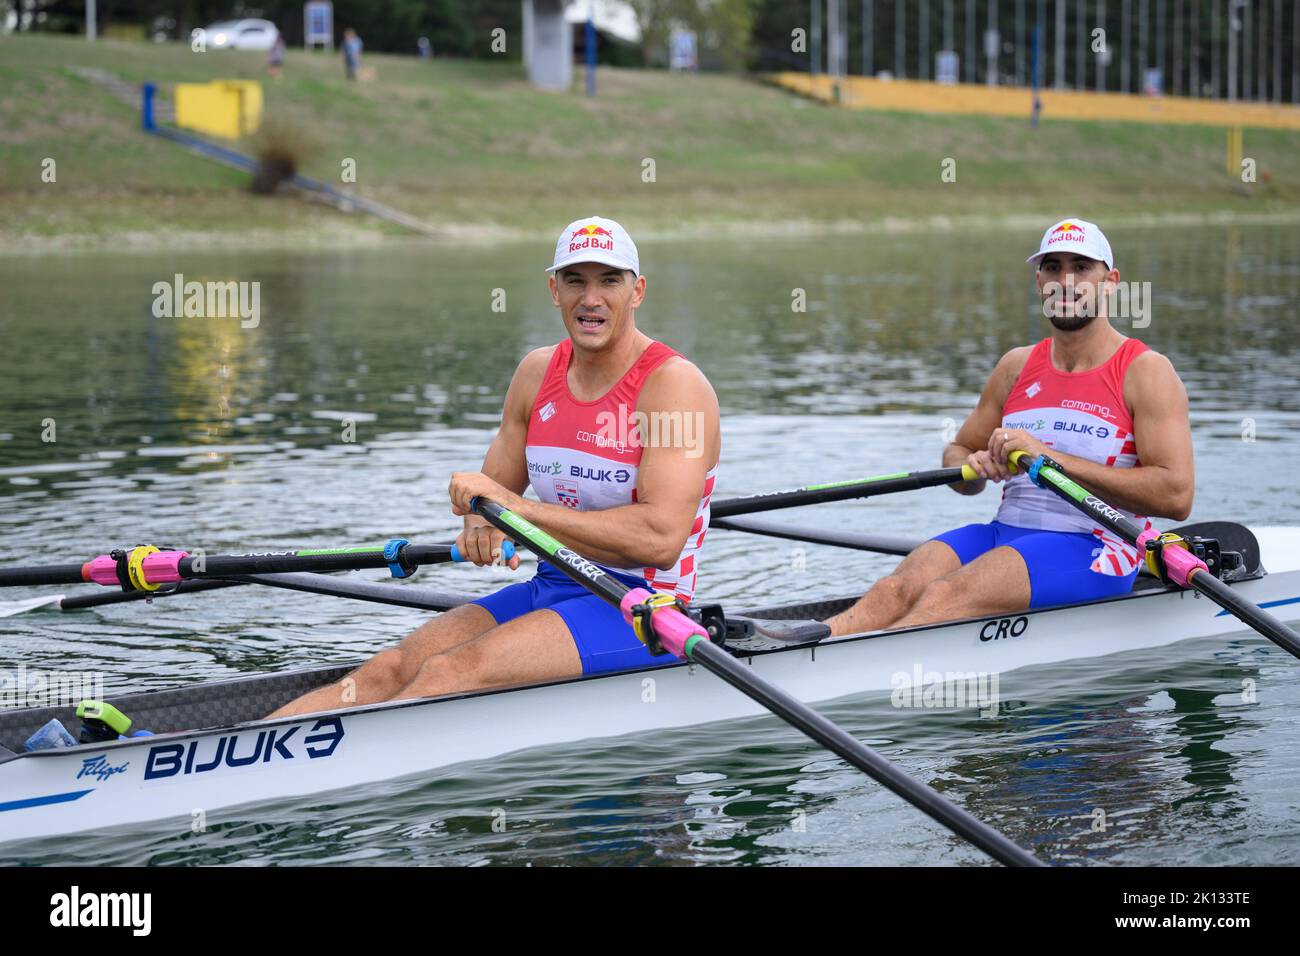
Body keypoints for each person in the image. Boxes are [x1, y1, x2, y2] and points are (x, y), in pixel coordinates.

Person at [270, 217, 721, 718]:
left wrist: (517, 510)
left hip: (642, 608)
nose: (591, 298)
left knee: (449, 673)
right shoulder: (536, 373)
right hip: (553, 587)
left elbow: (660, 541)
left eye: (609, 281)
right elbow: (489, 499)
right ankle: (238, 755)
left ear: (637, 291)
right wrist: (481, 521)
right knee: (388, 669)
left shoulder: (674, 387)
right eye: (575, 280)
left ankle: (336, 767)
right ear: (554, 290)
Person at [827, 218, 1194, 636]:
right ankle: (803, 659)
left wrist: (1050, 458)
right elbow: (957, 453)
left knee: (944, 596)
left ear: (1110, 282)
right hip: (1005, 532)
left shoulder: (1145, 372)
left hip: (1096, 544)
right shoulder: (1016, 367)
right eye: (1052, 267)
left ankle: (862, 674)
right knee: (893, 590)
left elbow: (1176, 495)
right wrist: (976, 468)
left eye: (1081, 266)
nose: (1066, 280)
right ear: (1039, 282)